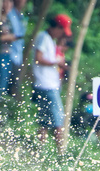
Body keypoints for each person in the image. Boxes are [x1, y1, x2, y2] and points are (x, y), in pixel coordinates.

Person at [32, 14, 70, 152]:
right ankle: (61, 153)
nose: (61, 35)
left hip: (48, 84)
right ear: (57, 27)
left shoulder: (50, 40)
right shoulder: (43, 37)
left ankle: (38, 150)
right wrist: (56, 62)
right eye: (62, 31)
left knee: (44, 122)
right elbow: (38, 58)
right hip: (46, 85)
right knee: (58, 121)